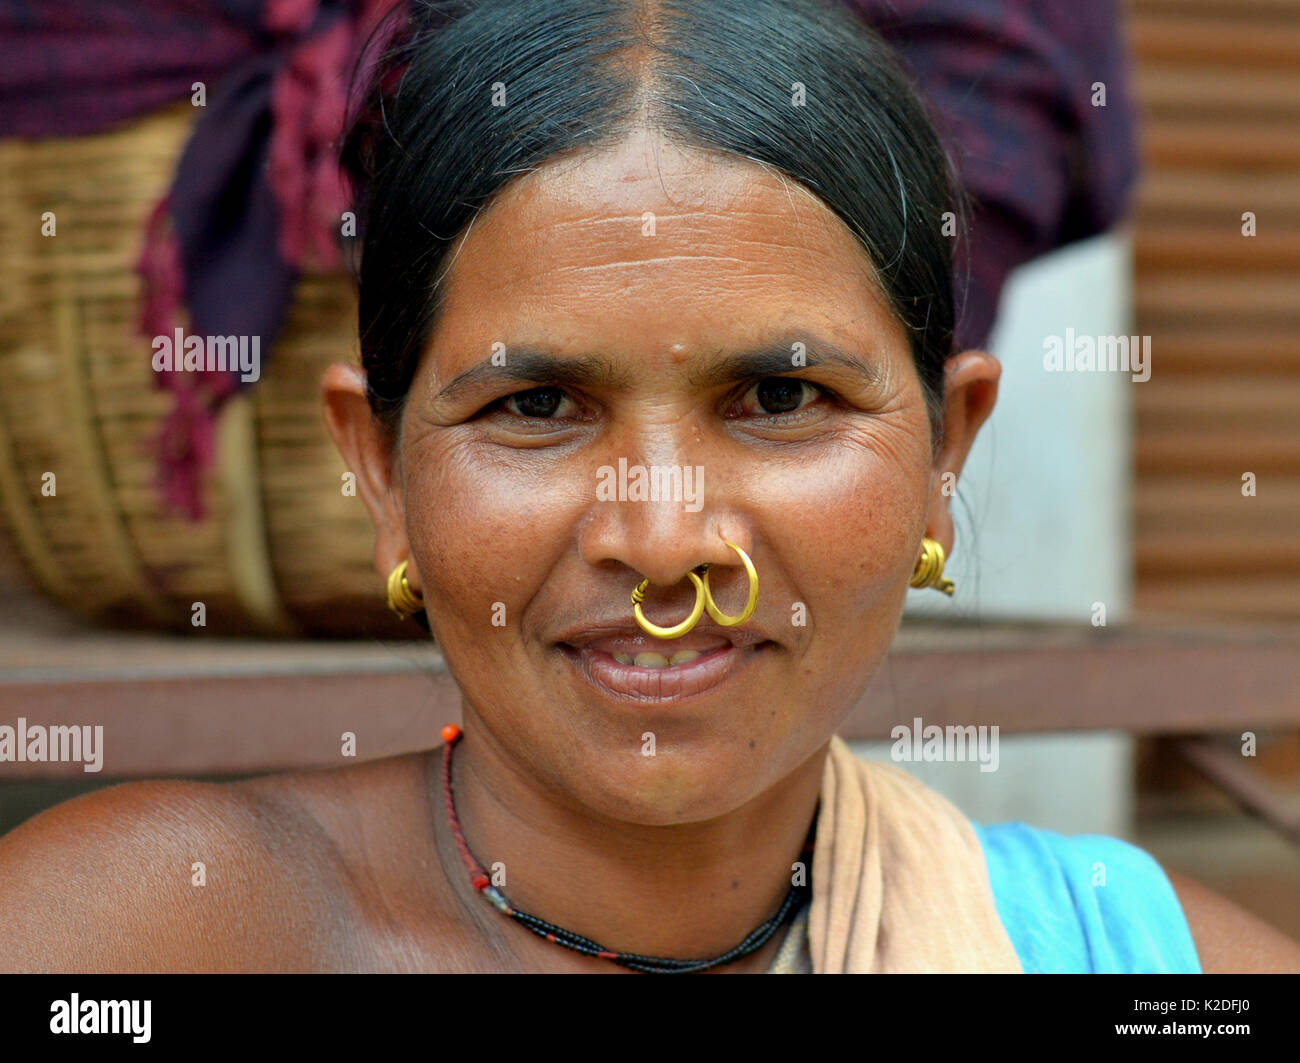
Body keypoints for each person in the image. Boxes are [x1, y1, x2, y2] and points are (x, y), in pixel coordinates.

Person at [2, 0, 1297, 974]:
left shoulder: (1133, 962)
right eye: (537, 406)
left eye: (782, 399)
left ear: (945, 449)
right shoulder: (137, 937)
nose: (667, 541)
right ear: (380, 470)